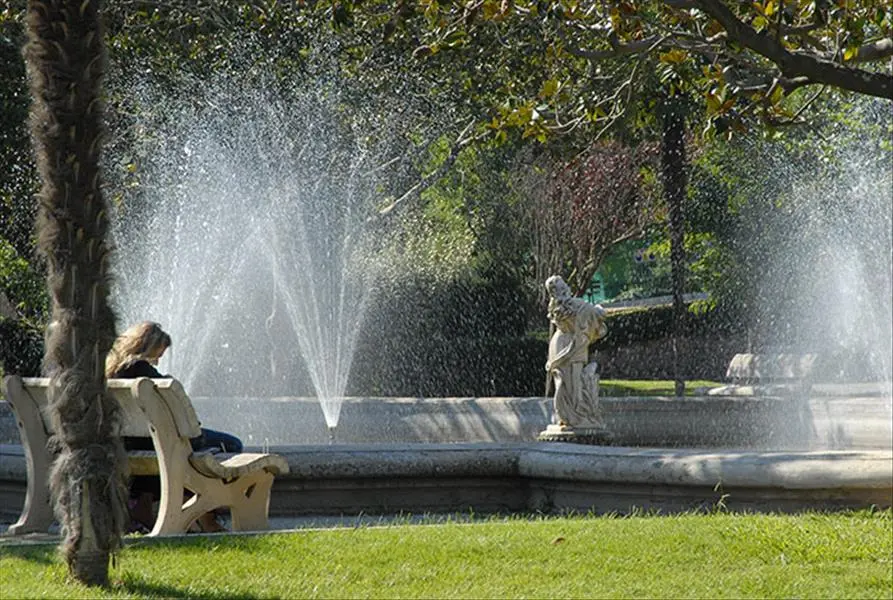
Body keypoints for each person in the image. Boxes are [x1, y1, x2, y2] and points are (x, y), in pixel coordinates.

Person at [106, 321, 241, 533]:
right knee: (231, 445)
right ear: (146, 347)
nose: (158, 361)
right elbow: (183, 421)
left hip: (128, 446)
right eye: (157, 354)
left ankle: (144, 506)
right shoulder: (143, 372)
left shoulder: (111, 372)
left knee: (184, 450)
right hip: (162, 445)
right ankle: (207, 517)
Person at [544, 275, 607, 428]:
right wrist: (599, 310)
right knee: (574, 382)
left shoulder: (554, 306)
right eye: (562, 283)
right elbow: (597, 315)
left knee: (563, 382)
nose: (565, 285)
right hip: (575, 342)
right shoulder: (576, 304)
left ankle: (566, 415)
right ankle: (577, 417)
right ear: (562, 288)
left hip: (558, 342)